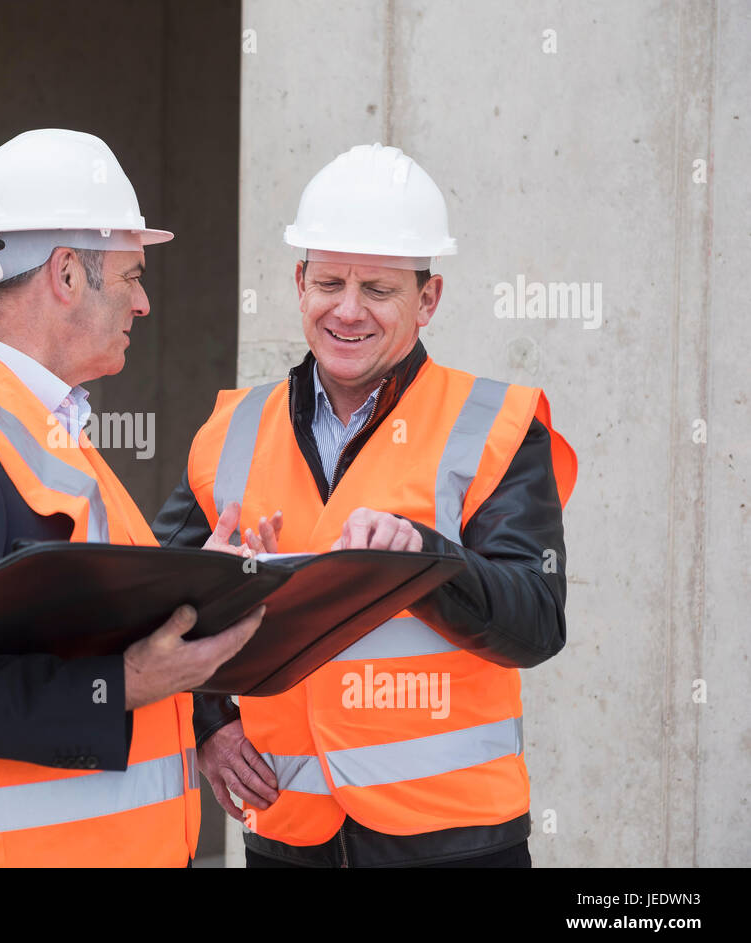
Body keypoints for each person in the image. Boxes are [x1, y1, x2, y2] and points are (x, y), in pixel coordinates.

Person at [153, 143, 577, 867]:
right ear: (298, 282)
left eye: (378, 289)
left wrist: (427, 560)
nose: (347, 311)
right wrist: (207, 725)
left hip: (456, 841)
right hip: (289, 837)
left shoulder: (496, 425)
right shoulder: (230, 434)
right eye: (329, 282)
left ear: (428, 299)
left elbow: (536, 624)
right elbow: (155, 605)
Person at [0, 129, 267, 867]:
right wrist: (128, 684)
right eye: (133, 274)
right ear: (68, 275)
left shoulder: (47, 434)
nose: (143, 303)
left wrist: (199, 591)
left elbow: (75, 627)